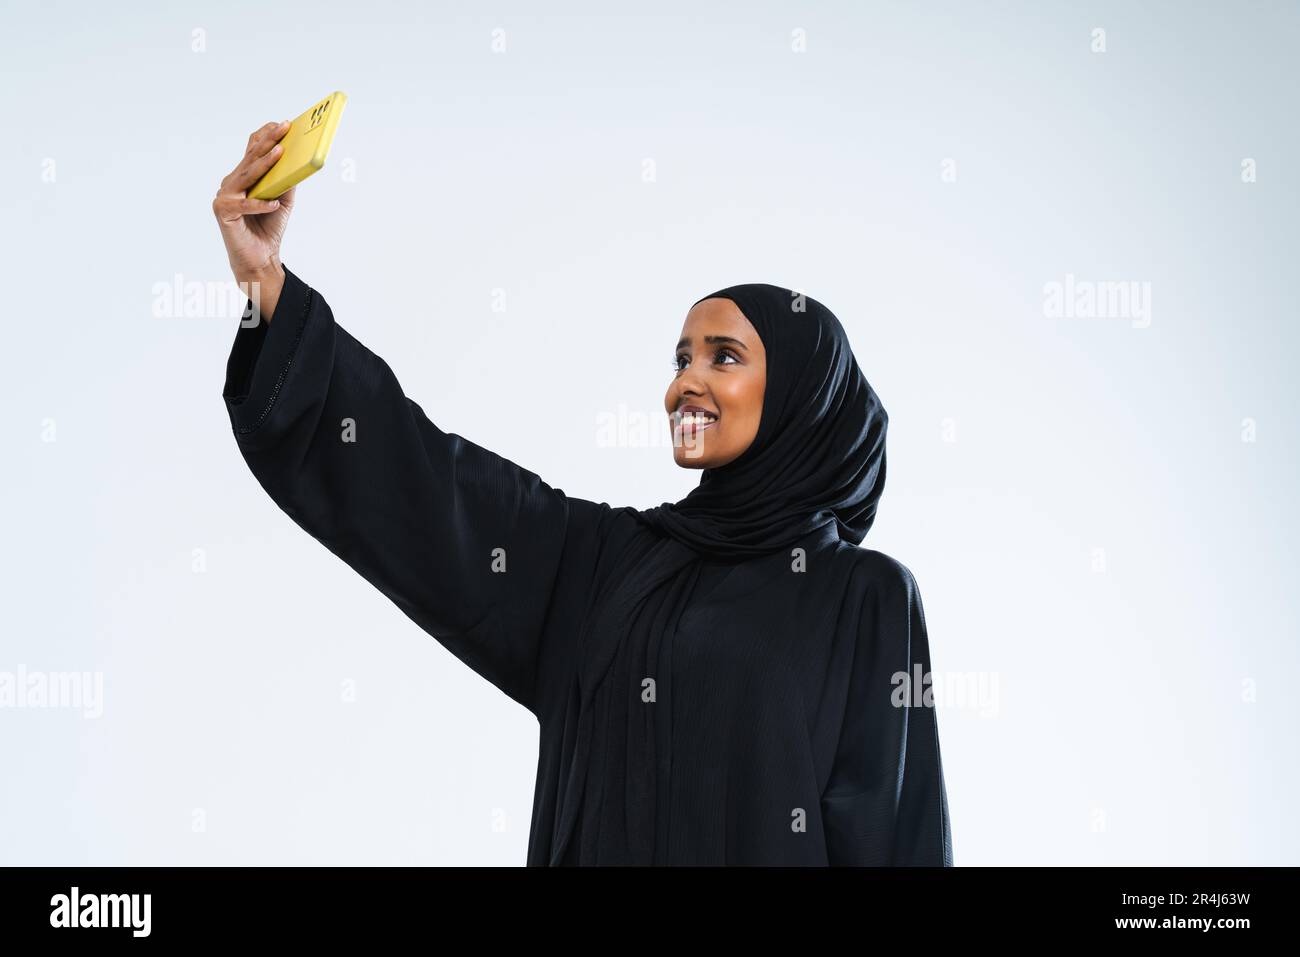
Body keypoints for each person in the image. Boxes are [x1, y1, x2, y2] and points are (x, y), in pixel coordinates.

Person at [213, 121, 953, 866]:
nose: (682, 384)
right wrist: (267, 285)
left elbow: (896, 837)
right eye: (681, 357)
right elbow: (427, 485)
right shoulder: (609, 566)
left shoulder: (864, 598)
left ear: (802, 394)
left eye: (724, 357)